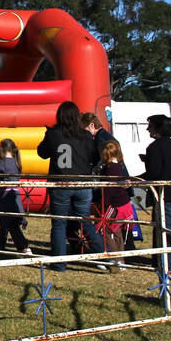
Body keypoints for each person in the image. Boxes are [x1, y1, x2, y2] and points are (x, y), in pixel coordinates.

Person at [37, 101, 102, 270]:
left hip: (60, 183)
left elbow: (42, 153)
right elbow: (95, 157)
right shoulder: (86, 135)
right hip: (82, 183)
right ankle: (106, 257)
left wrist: (49, 135)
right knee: (85, 221)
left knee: (59, 223)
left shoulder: (54, 134)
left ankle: (59, 263)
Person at [141, 114, 171, 271]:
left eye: (150, 126)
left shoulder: (154, 148)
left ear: (158, 128)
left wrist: (137, 178)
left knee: (166, 228)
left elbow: (153, 173)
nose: (148, 129)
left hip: (162, 194)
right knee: (168, 227)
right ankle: (165, 260)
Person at [97, 139, 139, 254]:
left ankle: (114, 257)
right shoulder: (117, 166)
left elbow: (110, 189)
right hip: (122, 203)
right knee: (116, 232)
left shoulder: (112, 168)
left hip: (115, 205)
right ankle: (120, 257)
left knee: (104, 229)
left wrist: (104, 204)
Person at [0, 138, 31, 255]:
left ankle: (23, 246)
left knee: (8, 223)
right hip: (15, 195)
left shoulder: (1, 163)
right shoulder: (16, 163)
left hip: (5, 196)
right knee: (9, 222)